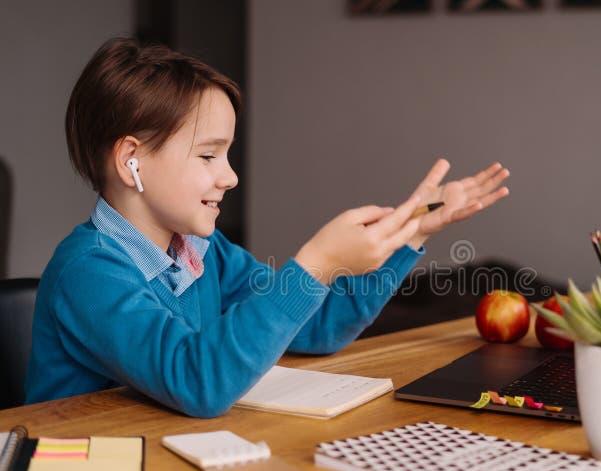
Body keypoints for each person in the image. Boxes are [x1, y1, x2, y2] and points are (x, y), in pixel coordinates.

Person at [25, 37, 509, 417]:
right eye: (209, 155)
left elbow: (320, 327)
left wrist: (414, 232)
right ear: (132, 161)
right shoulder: (88, 273)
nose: (231, 176)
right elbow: (196, 381)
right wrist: (317, 262)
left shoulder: (203, 252)